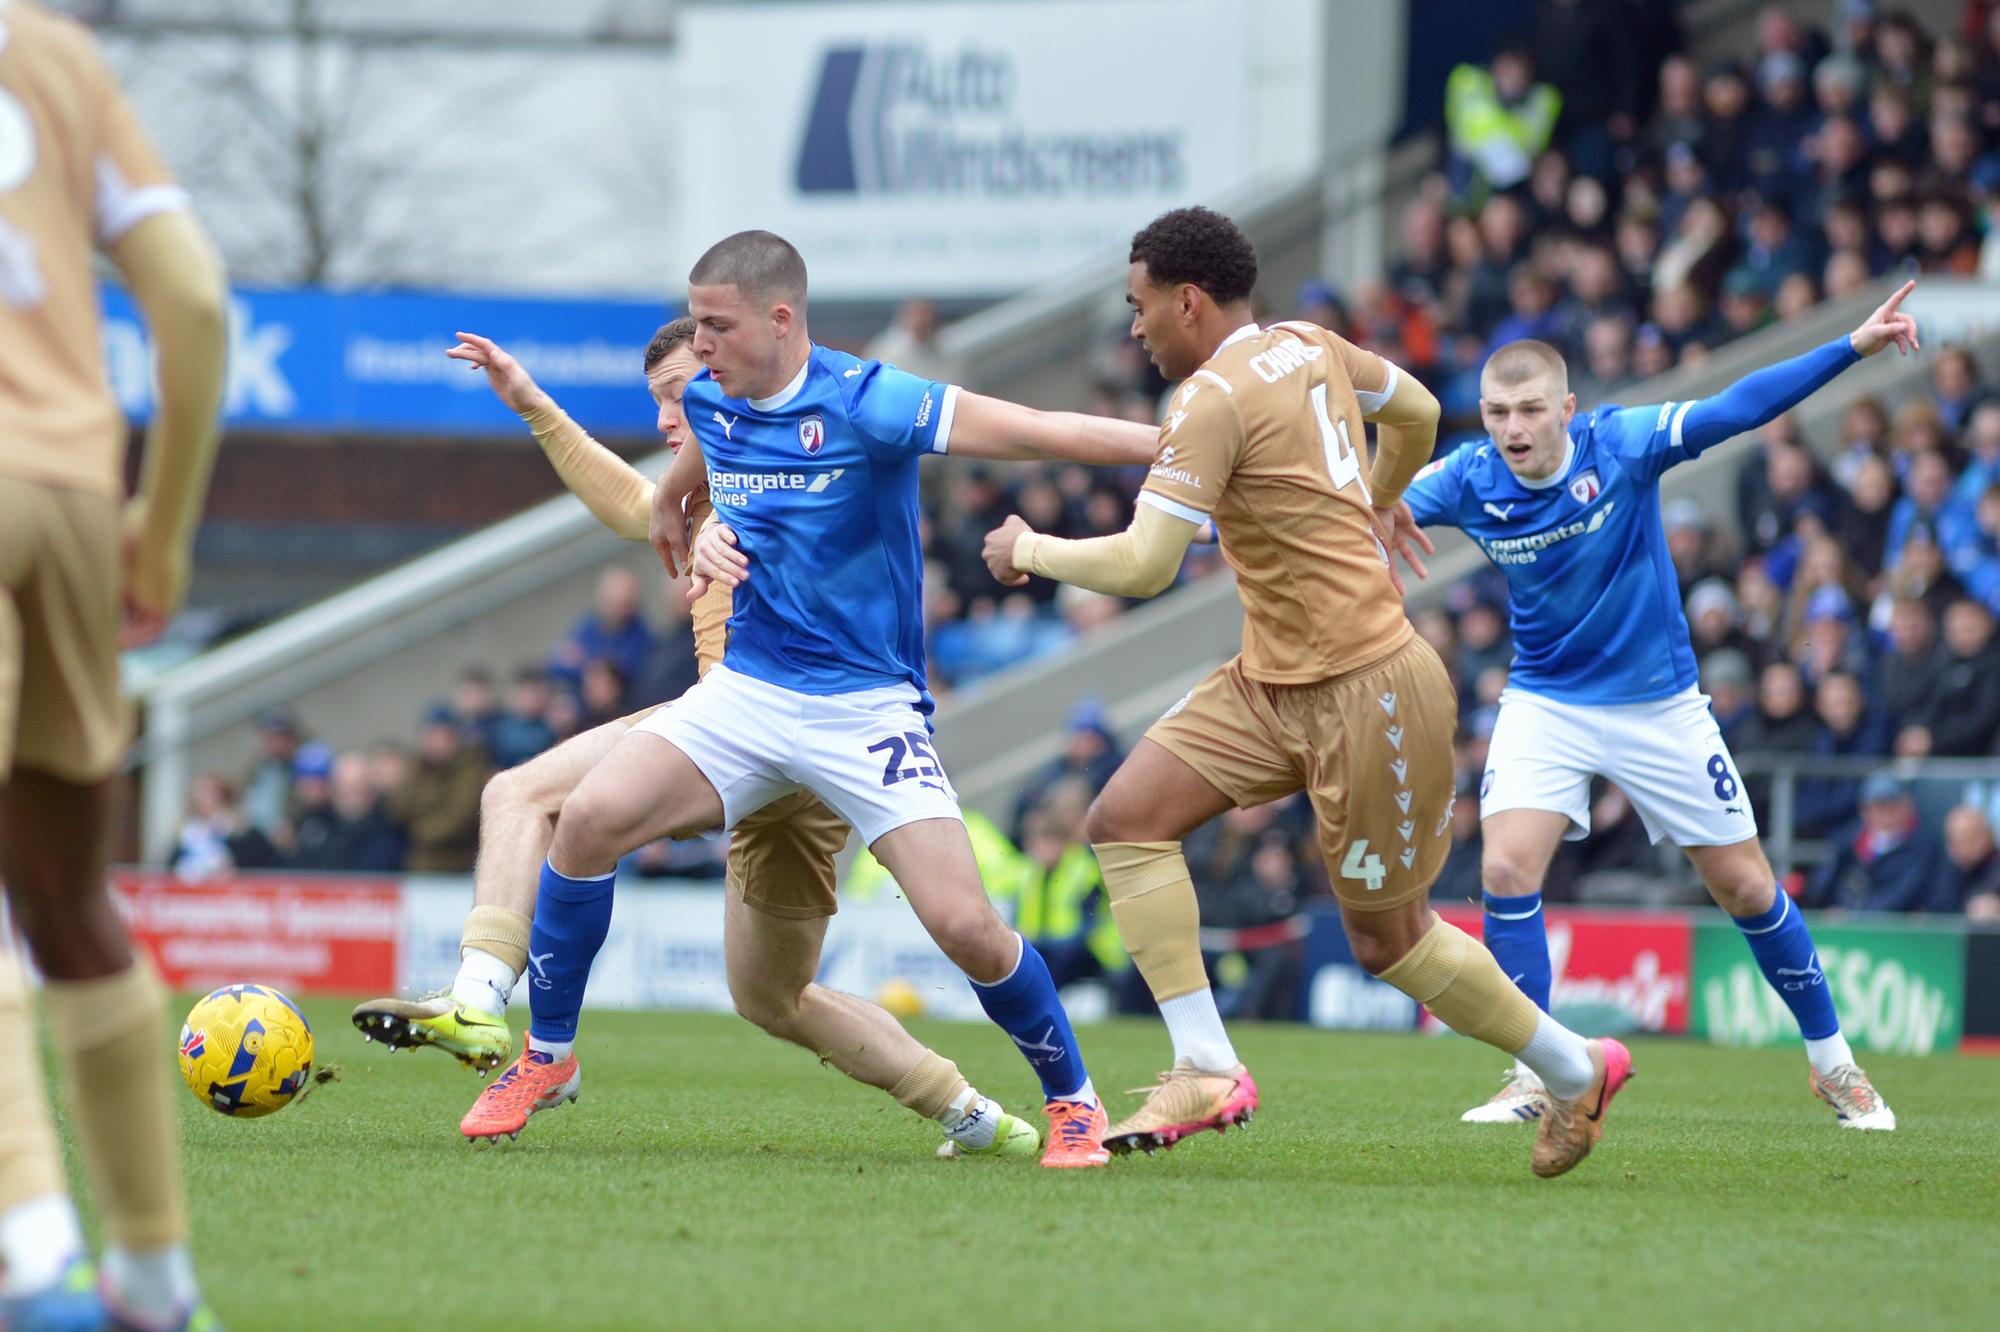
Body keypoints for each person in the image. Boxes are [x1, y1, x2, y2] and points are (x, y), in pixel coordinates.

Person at [981, 206, 1627, 1179]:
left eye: (1139, 305)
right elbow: (1412, 410)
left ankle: (1573, 1067)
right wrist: (1375, 495)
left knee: (1388, 941)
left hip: (1367, 684)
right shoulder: (1307, 346)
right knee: (1124, 819)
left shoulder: (1207, 400)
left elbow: (1146, 565)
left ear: (1187, 301)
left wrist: (1026, 548)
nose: (1133, 327)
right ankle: (1203, 1062)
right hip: (1270, 680)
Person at [356, 320, 1045, 1162]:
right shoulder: (735, 464)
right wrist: (534, 404)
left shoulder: (773, 464)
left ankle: (483, 1000)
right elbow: (640, 506)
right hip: (797, 768)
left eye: (678, 392)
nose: (666, 417)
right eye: (658, 401)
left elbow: (670, 507)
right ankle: (974, 1116)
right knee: (773, 996)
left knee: (521, 792)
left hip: (754, 728)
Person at [648, 231, 1180, 1168]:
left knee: (966, 926)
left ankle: (1074, 1102)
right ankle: (535, 1045)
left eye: (713, 325)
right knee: (568, 813)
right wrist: (674, 508)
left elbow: (1041, 431)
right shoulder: (709, 396)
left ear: (778, 317)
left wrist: (1184, 448)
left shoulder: (868, 399)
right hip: (754, 697)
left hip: (868, 709)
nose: (699, 347)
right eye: (695, 326)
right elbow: (708, 447)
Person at [1404, 282, 1922, 1134]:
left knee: (1748, 887)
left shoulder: (1622, 443)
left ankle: (1835, 1065)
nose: (1512, 428)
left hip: (1659, 707)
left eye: (1530, 409)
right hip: (1545, 701)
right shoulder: (1467, 478)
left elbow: (1737, 407)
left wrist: (1851, 347)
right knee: (1503, 872)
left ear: (1567, 407)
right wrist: (1199, 511)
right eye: (1496, 412)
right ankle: (1540, 1070)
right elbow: (1346, 512)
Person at [0, 5, 228, 1328]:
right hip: (79, 495)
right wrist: (163, 531)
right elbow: (193, 299)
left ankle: (33, 1260)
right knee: (64, 890)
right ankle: (155, 1277)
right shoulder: (58, 52)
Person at [1807, 774, 1949, 912]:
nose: (1885, 814)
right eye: (1878, 806)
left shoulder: (1923, 847)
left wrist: (1857, 915)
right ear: (1864, 810)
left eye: (1891, 806)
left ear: (1906, 807)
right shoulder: (1848, 843)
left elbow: (1904, 894)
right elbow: (1822, 887)